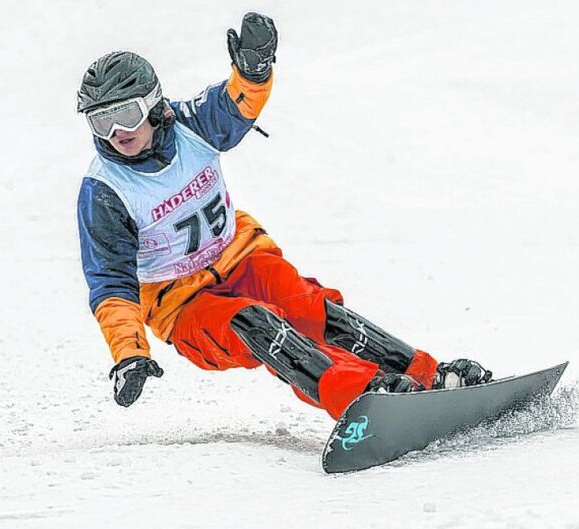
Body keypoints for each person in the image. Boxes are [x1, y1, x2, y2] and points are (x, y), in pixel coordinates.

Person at [76, 13, 492, 420]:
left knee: (311, 309)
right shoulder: (105, 193)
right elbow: (111, 281)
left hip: (240, 256)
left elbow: (233, 108)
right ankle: (361, 397)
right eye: (101, 121)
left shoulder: (190, 125)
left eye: (126, 115)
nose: (117, 133)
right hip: (182, 303)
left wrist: (253, 73)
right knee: (257, 323)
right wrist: (129, 353)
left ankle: (430, 377)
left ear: (152, 106)